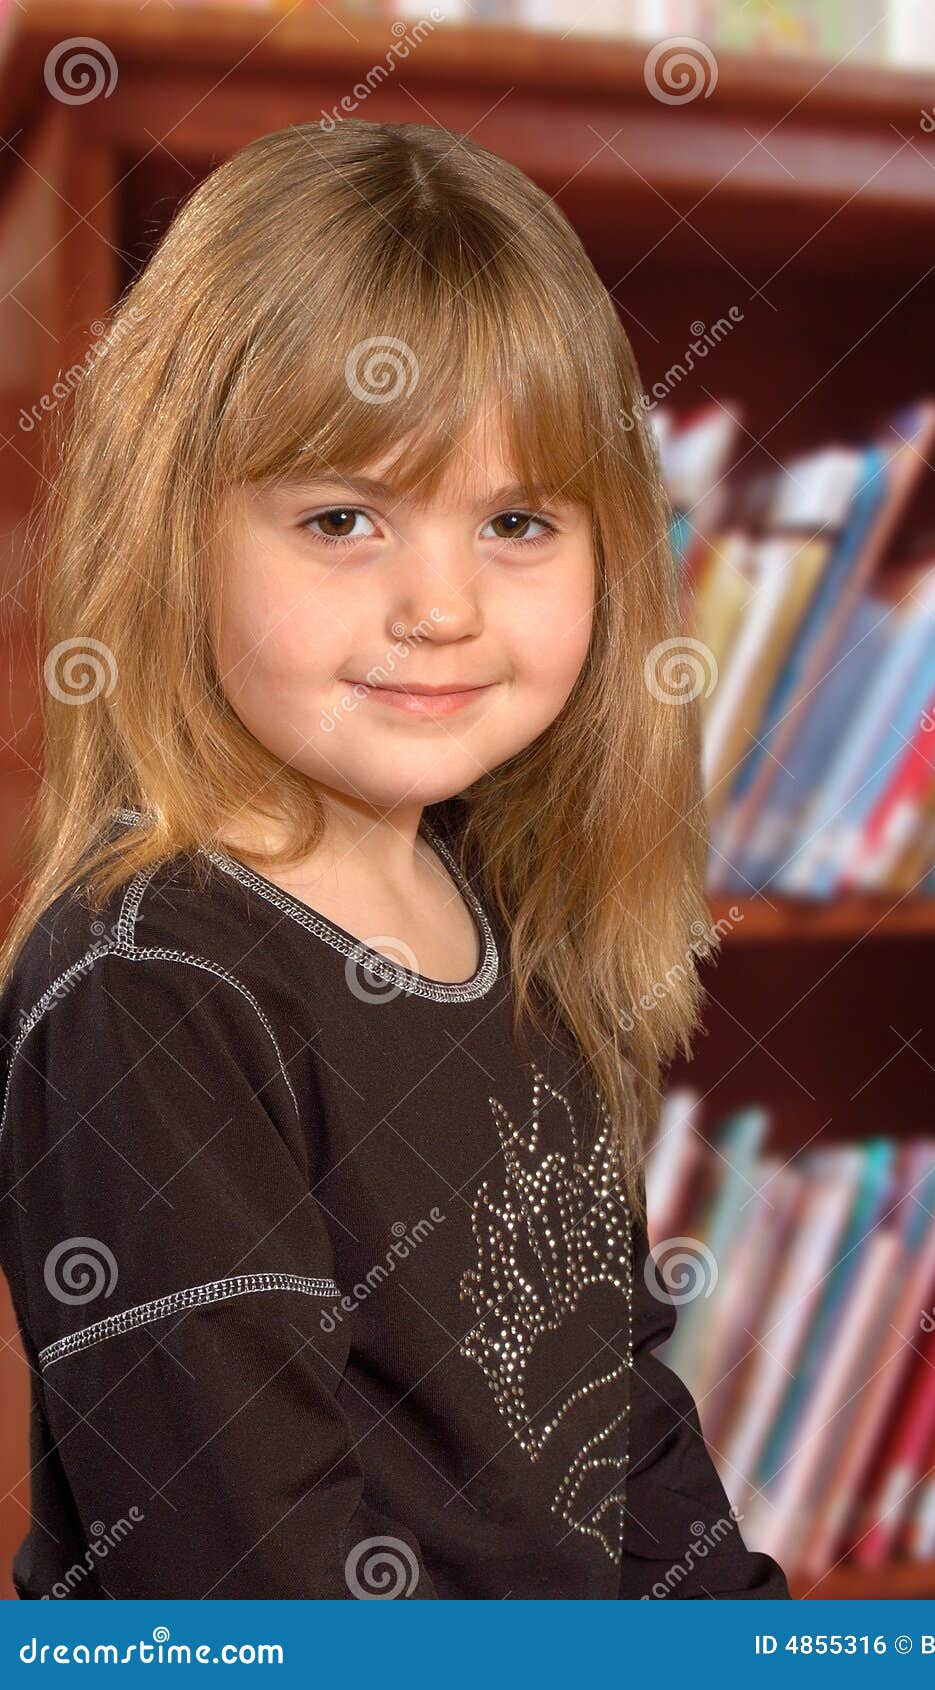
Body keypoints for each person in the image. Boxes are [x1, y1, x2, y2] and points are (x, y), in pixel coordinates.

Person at [0, 119, 789, 1602]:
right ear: (177, 537)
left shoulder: (511, 912)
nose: (442, 605)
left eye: (516, 520)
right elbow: (251, 1573)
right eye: (342, 517)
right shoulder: (152, 988)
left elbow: (622, 1431)